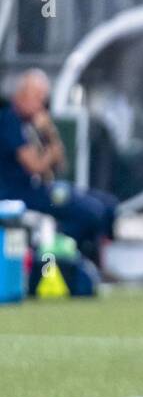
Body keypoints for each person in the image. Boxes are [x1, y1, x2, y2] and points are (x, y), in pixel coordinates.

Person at [0, 69, 116, 263]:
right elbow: (34, 166)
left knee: (108, 206)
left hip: (43, 187)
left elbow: (61, 165)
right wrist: (50, 153)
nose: (41, 105)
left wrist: (50, 134)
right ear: (22, 95)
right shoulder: (10, 121)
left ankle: (86, 262)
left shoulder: (34, 125)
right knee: (91, 213)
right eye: (37, 98)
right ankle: (52, 254)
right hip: (19, 193)